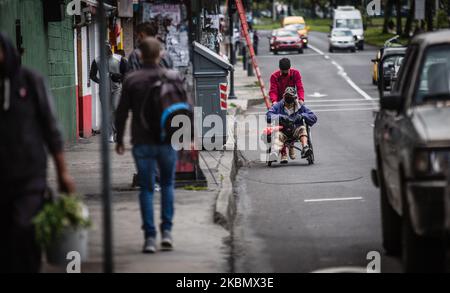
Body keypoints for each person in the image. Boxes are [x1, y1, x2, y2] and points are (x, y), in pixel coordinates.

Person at [0, 32, 75, 272]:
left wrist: (63, 172)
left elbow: (51, 128)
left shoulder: (30, 82)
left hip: (29, 176)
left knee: (24, 227)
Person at [115, 37, 185, 253]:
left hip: (142, 142)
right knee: (167, 185)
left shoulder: (131, 79)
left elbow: (121, 112)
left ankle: (149, 238)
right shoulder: (173, 77)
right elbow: (185, 107)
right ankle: (167, 232)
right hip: (167, 140)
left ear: (139, 55)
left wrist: (119, 140)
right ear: (161, 55)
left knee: (146, 189)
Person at [89, 43, 128, 143]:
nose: (108, 50)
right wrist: (100, 81)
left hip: (117, 89)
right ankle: (110, 133)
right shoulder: (97, 60)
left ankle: (116, 132)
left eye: (109, 48)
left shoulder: (119, 59)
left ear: (111, 48)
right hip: (104, 90)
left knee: (115, 108)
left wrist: (119, 77)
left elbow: (127, 73)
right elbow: (92, 75)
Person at [266, 87, 317, 164]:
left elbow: (313, 117)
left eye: (290, 97)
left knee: (302, 128)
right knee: (277, 134)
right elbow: (268, 115)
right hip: (282, 131)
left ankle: (305, 148)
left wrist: (302, 115)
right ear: (284, 97)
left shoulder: (300, 106)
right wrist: (280, 116)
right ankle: (275, 152)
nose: (288, 99)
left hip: (295, 130)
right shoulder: (278, 106)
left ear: (295, 98)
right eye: (287, 97)